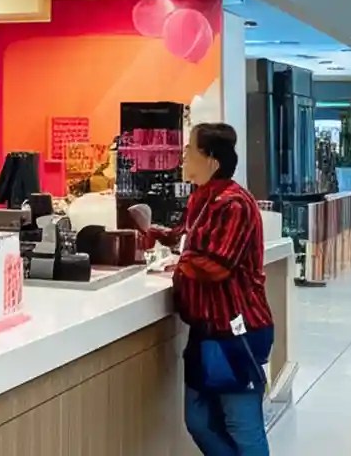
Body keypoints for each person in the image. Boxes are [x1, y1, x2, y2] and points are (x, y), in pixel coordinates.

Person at [136, 123, 272, 456]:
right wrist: (156, 234)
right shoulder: (202, 198)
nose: (183, 156)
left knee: (242, 426)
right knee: (199, 421)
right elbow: (185, 236)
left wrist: (180, 263)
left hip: (236, 328)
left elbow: (217, 264)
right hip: (206, 329)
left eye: (190, 149)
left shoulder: (234, 204)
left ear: (211, 159)